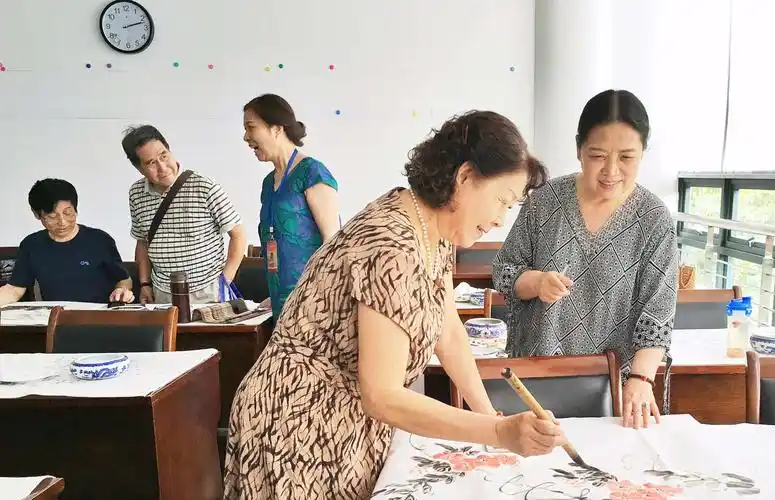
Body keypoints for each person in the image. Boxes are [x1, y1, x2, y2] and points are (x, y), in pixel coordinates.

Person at [224, 110, 565, 499]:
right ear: (466, 177)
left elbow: (449, 333)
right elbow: (382, 394)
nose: (499, 220)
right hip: (298, 419)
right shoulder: (392, 243)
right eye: (502, 201)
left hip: (344, 416)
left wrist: (488, 413)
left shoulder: (429, 227)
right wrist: (498, 433)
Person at [492, 89, 679, 430]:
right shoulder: (545, 202)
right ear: (579, 149)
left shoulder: (654, 219)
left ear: (643, 153)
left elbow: (658, 314)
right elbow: (504, 272)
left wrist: (641, 377)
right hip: (537, 374)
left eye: (626, 157)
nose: (611, 170)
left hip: (615, 388)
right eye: (597, 155)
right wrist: (535, 282)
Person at [122, 125, 247, 304]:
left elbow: (238, 234)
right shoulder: (136, 193)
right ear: (139, 168)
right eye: (151, 163)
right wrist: (144, 284)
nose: (162, 167)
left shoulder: (204, 187)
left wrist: (224, 281)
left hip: (208, 291)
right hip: (162, 293)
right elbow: (142, 241)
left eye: (164, 156)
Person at [243, 94, 340, 319]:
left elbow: (333, 244)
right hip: (281, 302)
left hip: (315, 302)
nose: (246, 137)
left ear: (276, 129)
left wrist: (316, 297)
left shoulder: (312, 173)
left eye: (251, 127)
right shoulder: (269, 183)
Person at [0, 179, 133, 305]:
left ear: (76, 208)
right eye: (52, 217)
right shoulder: (31, 245)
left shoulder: (100, 240)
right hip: (57, 319)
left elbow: (123, 279)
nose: (62, 222)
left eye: (68, 213)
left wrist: (122, 291)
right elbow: (14, 289)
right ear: (37, 214)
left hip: (98, 319)